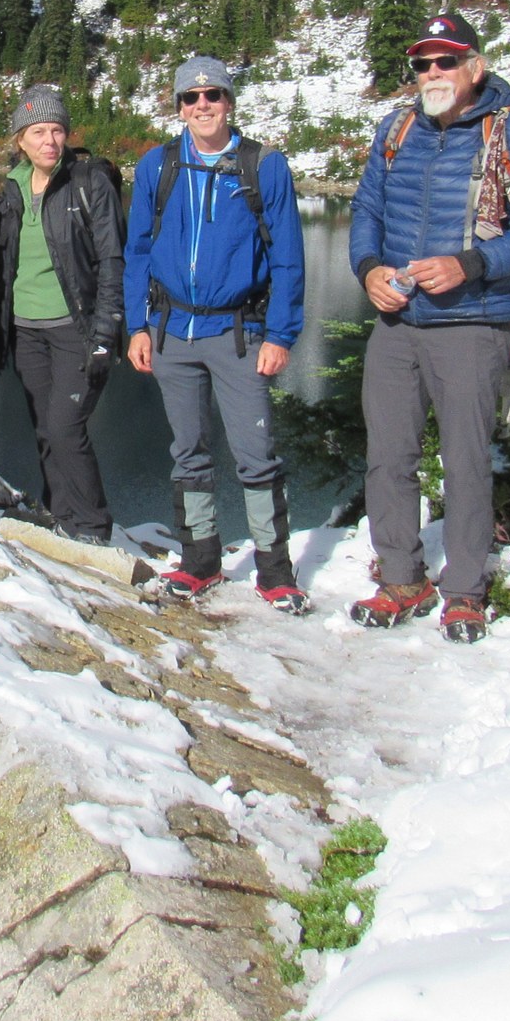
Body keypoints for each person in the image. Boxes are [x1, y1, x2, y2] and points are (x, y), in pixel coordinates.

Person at [347, 12, 510, 644]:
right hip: (397, 321)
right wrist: (366, 270)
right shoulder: (397, 127)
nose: (433, 73)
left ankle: (465, 590)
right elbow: (366, 209)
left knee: (466, 459)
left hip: (473, 321)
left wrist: (469, 264)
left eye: (447, 60)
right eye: (423, 63)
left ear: (476, 67)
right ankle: (402, 577)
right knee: (388, 456)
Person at [124, 56, 308, 609]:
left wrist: (281, 334)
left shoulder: (263, 167)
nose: (202, 105)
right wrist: (136, 324)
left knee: (255, 452)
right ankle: (200, 559)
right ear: (178, 107)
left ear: (229, 101)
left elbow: (290, 260)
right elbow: (136, 252)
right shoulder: (158, 166)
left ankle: (275, 570)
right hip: (171, 331)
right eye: (190, 98)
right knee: (188, 450)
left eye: (213, 95)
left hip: (238, 333)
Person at [0, 85, 124, 544]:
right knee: (47, 428)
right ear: (20, 138)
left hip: (74, 329)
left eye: (57, 130)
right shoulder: (13, 189)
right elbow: (2, 264)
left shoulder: (88, 182)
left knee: (67, 426)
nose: (50, 140)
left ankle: (94, 527)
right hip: (26, 331)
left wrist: (105, 334)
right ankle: (62, 516)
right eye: (39, 131)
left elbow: (112, 261)